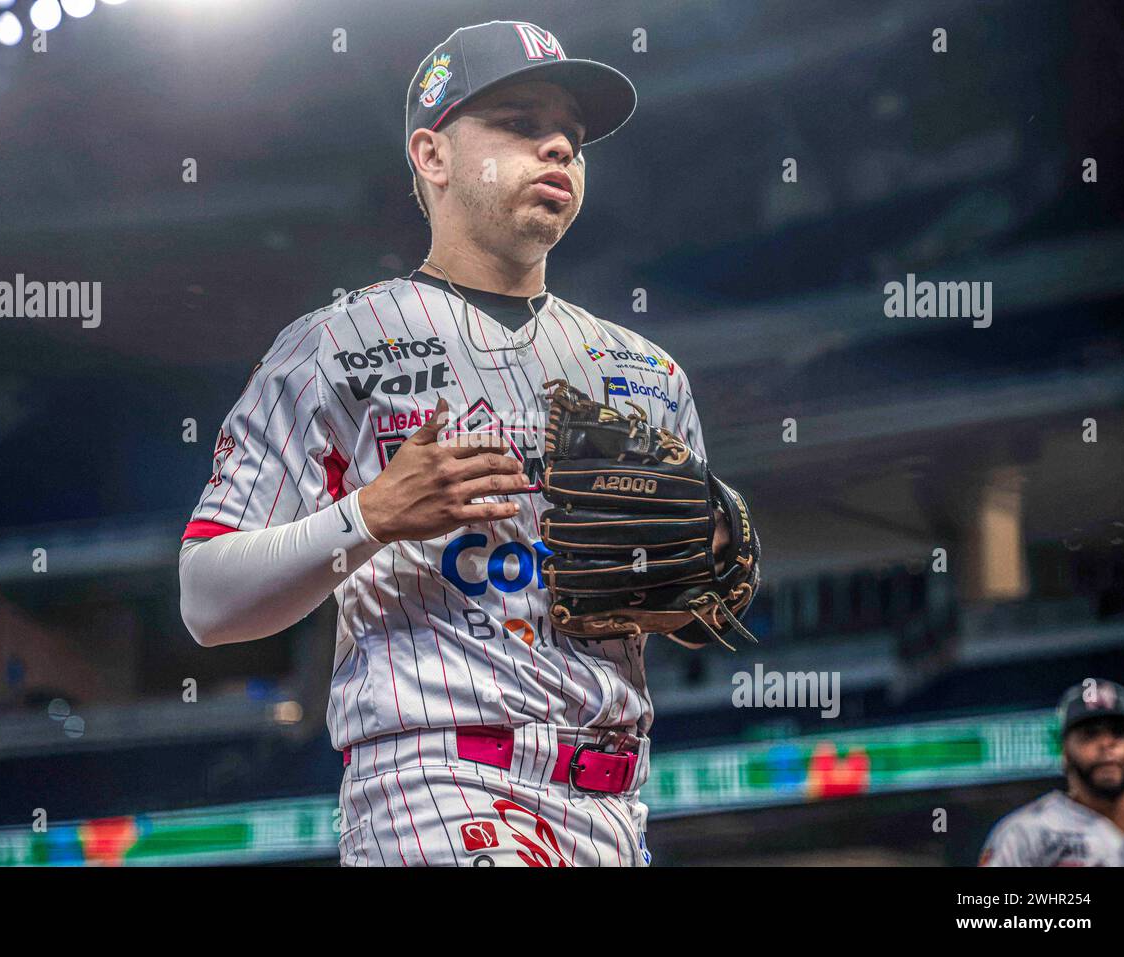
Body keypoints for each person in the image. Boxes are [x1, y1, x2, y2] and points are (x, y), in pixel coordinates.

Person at [179, 20, 728, 866]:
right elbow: (207, 600)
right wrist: (371, 514)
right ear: (432, 157)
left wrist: (702, 569)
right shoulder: (335, 345)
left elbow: (685, 606)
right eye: (518, 121)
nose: (557, 147)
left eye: (573, 139)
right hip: (435, 783)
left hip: (616, 805)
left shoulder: (647, 371)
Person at [979, 679, 1124, 866]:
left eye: (1118, 732)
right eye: (1090, 734)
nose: (1106, 744)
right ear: (1064, 752)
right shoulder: (1026, 832)